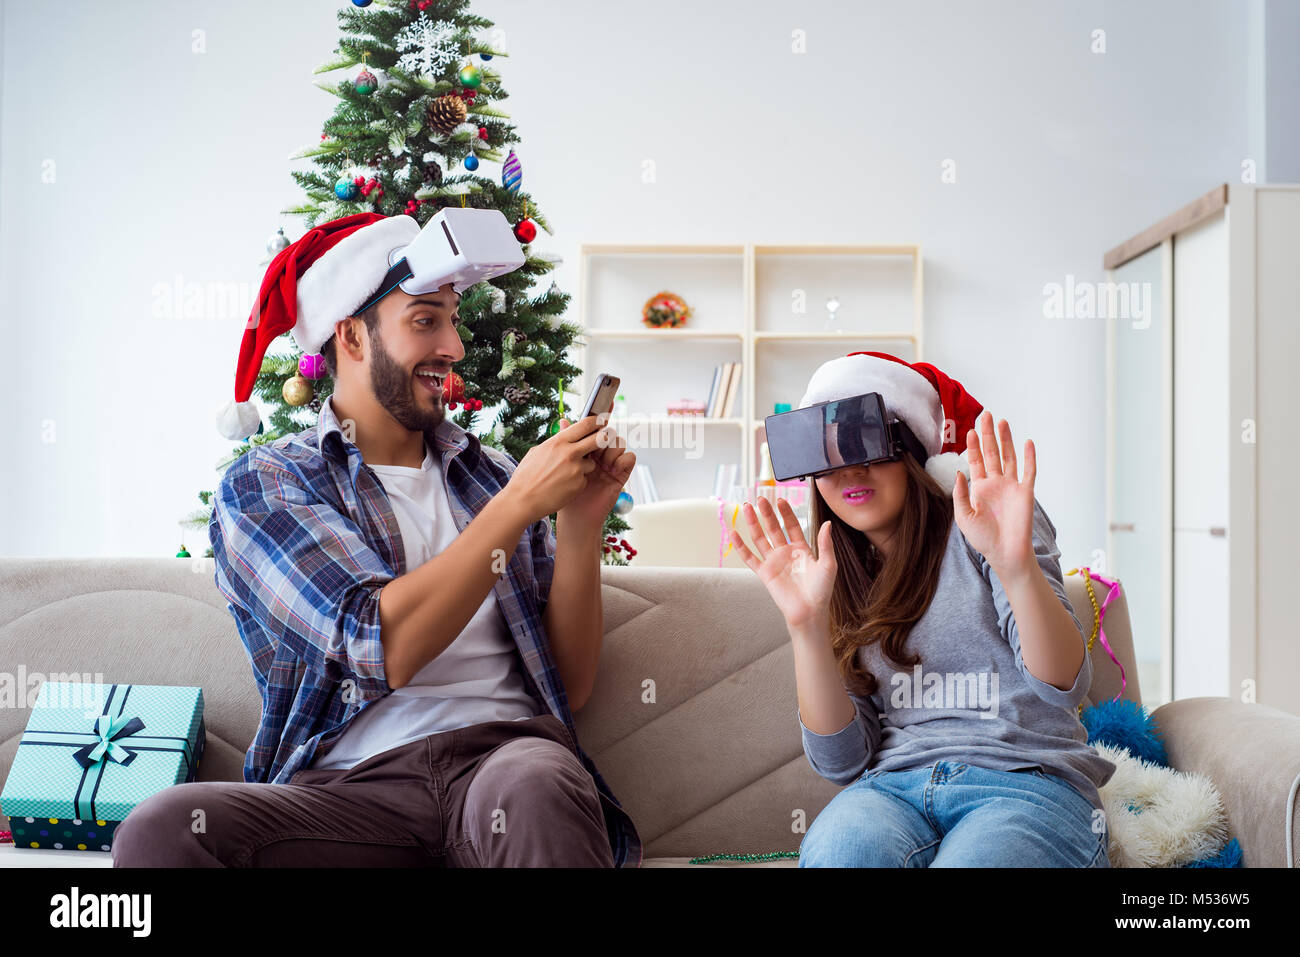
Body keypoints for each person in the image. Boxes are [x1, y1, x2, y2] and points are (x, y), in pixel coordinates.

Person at [111, 212, 642, 867]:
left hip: (502, 771)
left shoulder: (491, 477)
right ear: (352, 335)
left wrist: (581, 523)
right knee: (161, 828)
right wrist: (522, 503)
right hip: (348, 798)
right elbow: (378, 643)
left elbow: (571, 683)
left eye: (452, 318)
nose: (452, 345)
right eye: (426, 320)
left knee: (538, 776)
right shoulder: (268, 482)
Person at [730, 351, 1115, 867]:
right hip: (891, 792)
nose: (851, 470)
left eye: (866, 444)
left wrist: (1016, 566)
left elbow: (1064, 683)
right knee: (842, 854)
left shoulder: (982, 519)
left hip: (1026, 782)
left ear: (911, 451)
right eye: (828, 454)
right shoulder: (831, 571)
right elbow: (841, 762)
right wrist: (806, 626)